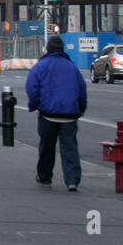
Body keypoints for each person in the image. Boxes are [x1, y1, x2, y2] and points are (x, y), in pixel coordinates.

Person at [25, 35, 87, 191]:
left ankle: (45, 177)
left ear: (48, 48)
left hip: (48, 113)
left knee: (47, 147)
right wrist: (80, 108)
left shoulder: (41, 66)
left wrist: (35, 105)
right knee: (70, 148)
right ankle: (72, 180)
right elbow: (81, 90)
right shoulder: (72, 67)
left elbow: (32, 87)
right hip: (69, 115)